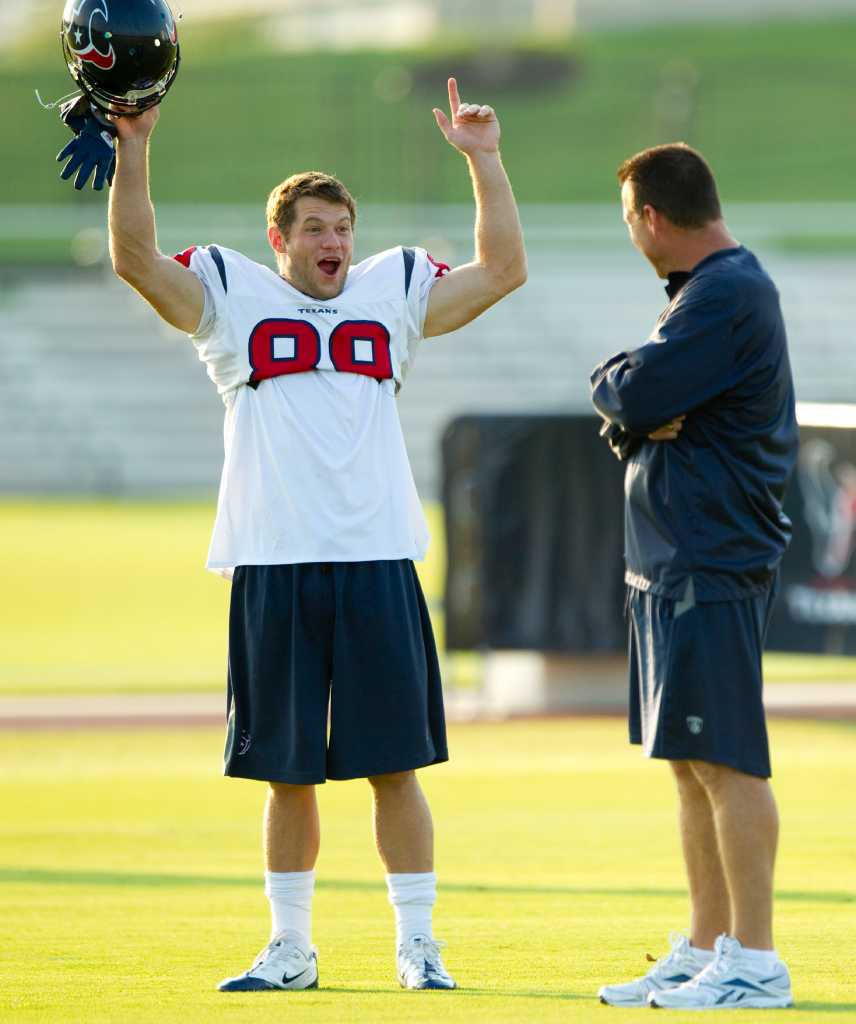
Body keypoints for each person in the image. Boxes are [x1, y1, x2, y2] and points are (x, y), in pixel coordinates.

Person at [106, 77, 526, 992]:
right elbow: (137, 260)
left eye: (342, 228)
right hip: (274, 558)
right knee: (285, 772)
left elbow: (502, 272)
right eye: (315, 230)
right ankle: (290, 946)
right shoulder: (231, 296)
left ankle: (418, 943)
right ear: (279, 241)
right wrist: (133, 146)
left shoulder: (395, 290)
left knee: (396, 768)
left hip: (376, 555)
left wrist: (485, 163)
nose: (334, 243)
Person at [590, 143, 797, 1011]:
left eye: (628, 217)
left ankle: (756, 958)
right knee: (687, 761)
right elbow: (633, 402)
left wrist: (623, 403)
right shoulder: (701, 298)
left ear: (651, 218)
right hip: (673, 562)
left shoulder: (725, 295)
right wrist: (628, 408)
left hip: (710, 558)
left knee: (725, 759)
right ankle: (710, 942)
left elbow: (627, 394)